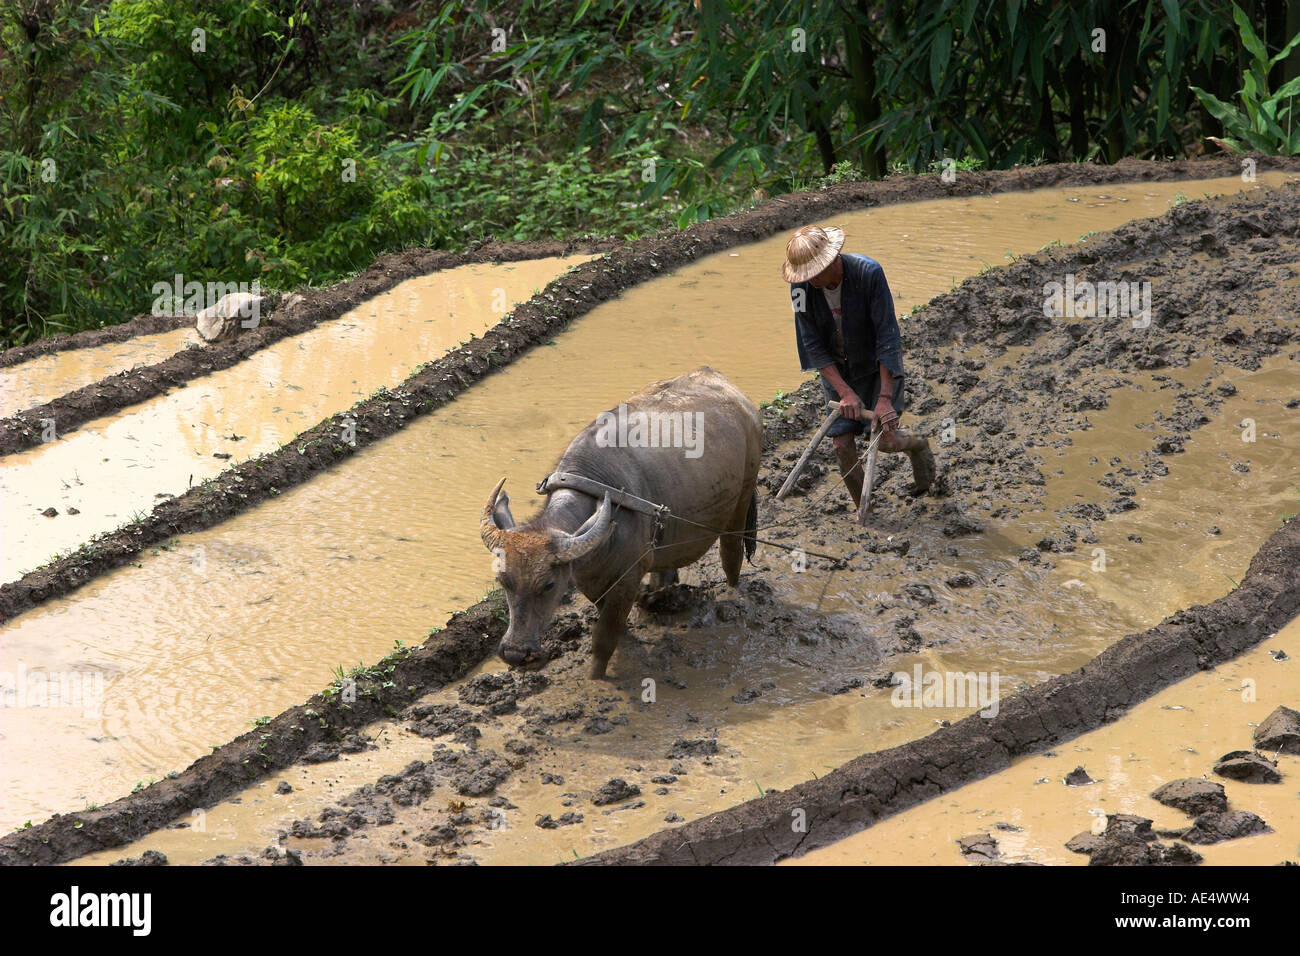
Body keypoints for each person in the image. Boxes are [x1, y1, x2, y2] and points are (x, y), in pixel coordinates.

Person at [782, 224, 935, 507]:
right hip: (838, 370)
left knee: (887, 442)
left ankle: (917, 444)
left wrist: (885, 397)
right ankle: (865, 508)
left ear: (832, 259)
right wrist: (844, 392)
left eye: (815, 272)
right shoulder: (800, 289)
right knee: (841, 446)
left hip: (876, 366)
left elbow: (887, 336)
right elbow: (811, 343)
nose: (810, 280)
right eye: (805, 276)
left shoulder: (868, 274)